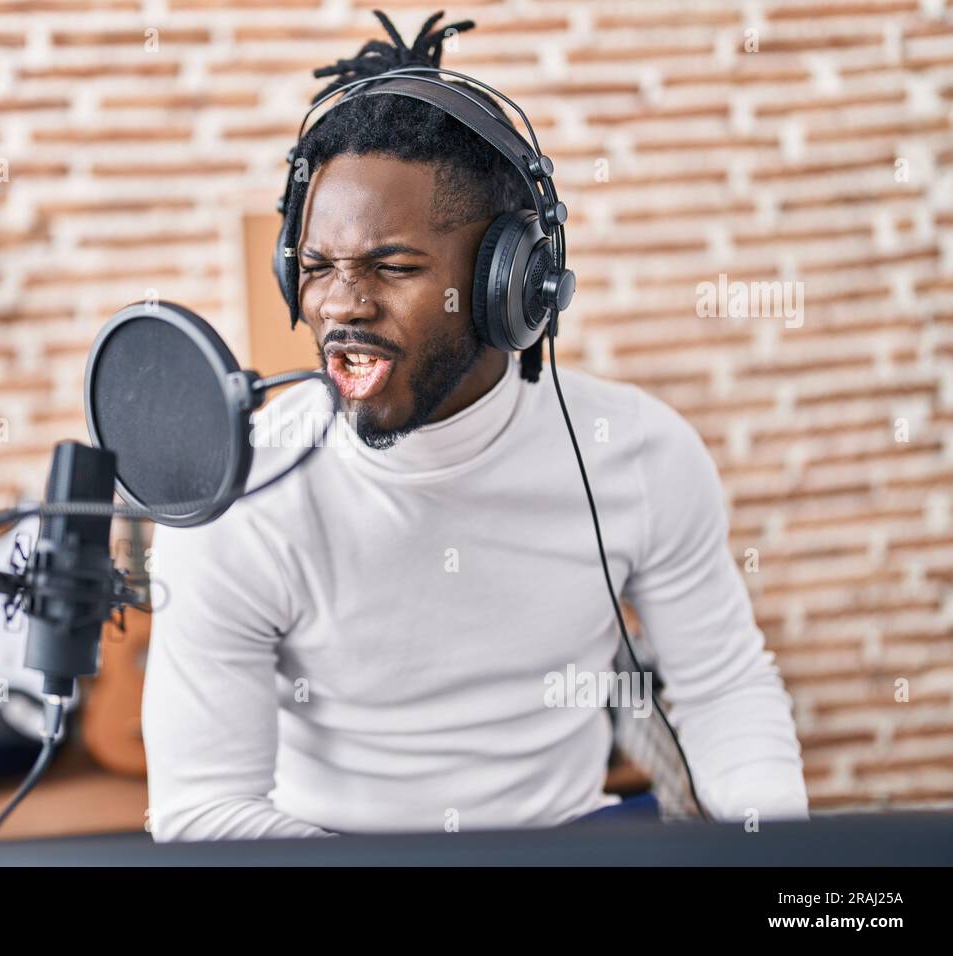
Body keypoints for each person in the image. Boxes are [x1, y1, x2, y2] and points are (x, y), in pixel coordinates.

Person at [141, 10, 809, 841]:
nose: (342, 306)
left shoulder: (638, 455)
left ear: (512, 284)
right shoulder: (236, 493)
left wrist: (784, 856)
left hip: (571, 839)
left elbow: (722, 687)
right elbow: (204, 808)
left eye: (393, 266)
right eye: (316, 269)